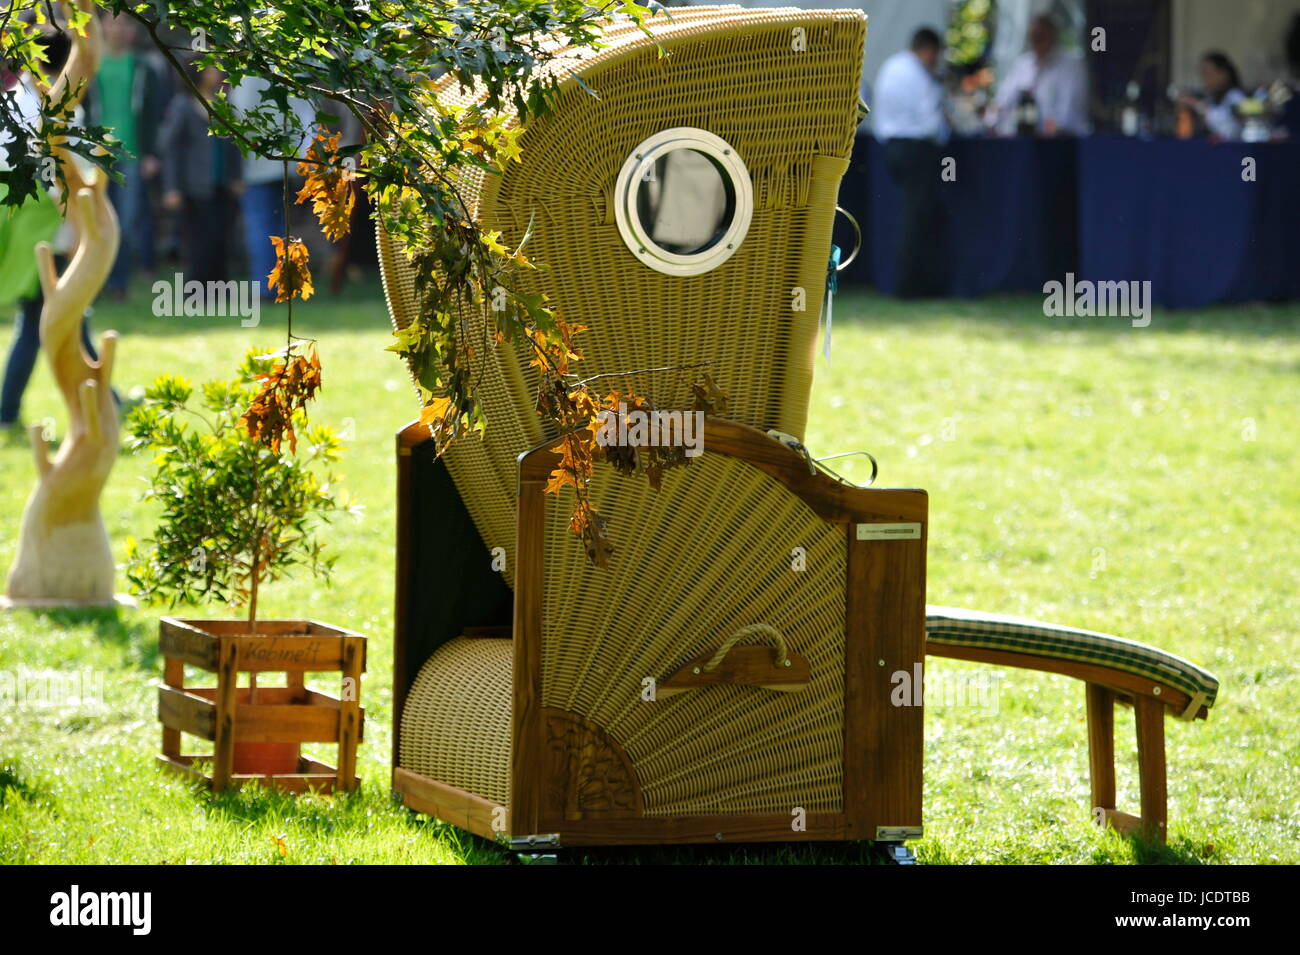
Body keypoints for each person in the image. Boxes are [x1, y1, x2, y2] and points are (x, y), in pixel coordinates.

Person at [0, 32, 107, 433]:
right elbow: (60, 175)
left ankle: (104, 394)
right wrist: (78, 226)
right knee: (39, 318)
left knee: (67, 311)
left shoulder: (19, 99)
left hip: (22, 224)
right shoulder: (53, 107)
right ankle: (6, 411)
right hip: (48, 226)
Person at [87, 14, 165, 299]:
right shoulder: (91, 64)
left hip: (133, 155)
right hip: (95, 156)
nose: (118, 28)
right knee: (93, 220)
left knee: (124, 221)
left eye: (124, 23)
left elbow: (156, 114)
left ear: (132, 30)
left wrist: (151, 153)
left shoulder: (144, 67)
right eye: (112, 22)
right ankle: (96, 282)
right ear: (102, 26)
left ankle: (118, 283)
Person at [873, 27, 949, 298]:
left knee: (910, 215)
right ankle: (911, 286)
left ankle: (908, 283)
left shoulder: (891, 67)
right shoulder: (920, 76)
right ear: (929, 50)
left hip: (893, 146)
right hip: (917, 149)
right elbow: (931, 123)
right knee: (917, 219)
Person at [228, 77, 316, 299]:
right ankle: (282, 285)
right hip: (288, 160)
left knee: (260, 228)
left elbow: (238, 116)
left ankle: (264, 287)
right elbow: (306, 113)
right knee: (280, 227)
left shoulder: (245, 75)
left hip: (255, 166)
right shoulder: (285, 66)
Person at [158, 63, 243, 285]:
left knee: (221, 239)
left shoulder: (224, 104)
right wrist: (171, 188)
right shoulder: (182, 106)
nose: (218, 72)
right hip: (193, 186)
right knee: (197, 240)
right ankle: (197, 289)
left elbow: (234, 145)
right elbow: (171, 149)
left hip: (222, 184)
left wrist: (236, 177)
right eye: (211, 68)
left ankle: (220, 288)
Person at [992, 15, 1089, 137]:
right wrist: (991, 121)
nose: (1037, 40)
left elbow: (1070, 108)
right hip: (1025, 140)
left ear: (1053, 35)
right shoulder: (1023, 64)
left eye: (1041, 36)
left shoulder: (1072, 64)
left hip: (1064, 141)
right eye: (1033, 36)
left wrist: (1054, 128)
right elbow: (1003, 101)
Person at [1179, 53, 1247, 141]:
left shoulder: (1236, 97)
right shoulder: (1210, 97)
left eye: (1208, 73)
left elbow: (1230, 131)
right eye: (1202, 74)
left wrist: (1198, 105)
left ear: (1223, 73)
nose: (1205, 78)